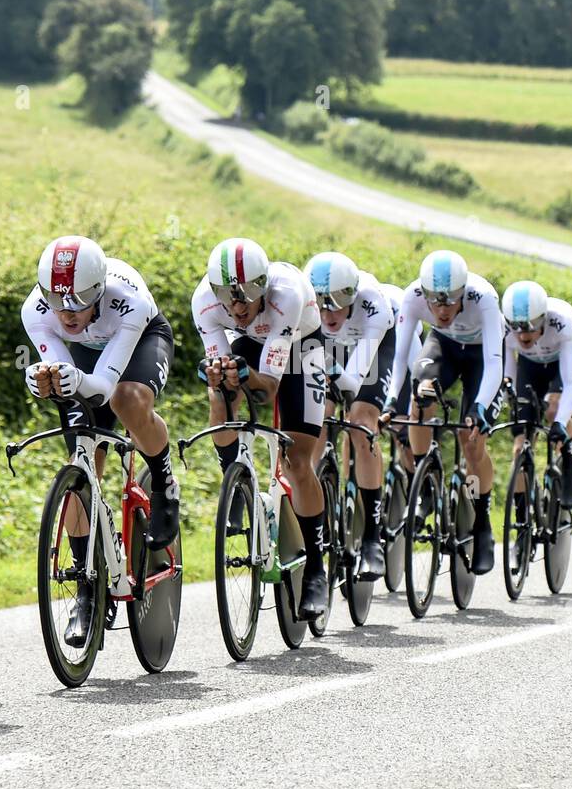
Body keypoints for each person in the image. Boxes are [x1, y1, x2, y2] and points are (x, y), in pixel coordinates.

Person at [22, 236, 178, 648]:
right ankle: (86, 587)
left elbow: (105, 386)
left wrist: (75, 379)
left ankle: (164, 482)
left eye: (79, 300)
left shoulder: (129, 300)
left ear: (99, 290)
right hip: (87, 357)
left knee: (127, 400)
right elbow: (58, 366)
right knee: (81, 465)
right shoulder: (36, 310)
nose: (68, 312)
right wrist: (43, 379)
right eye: (58, 302)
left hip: (139, 341)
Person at [191, 237, 331, 618]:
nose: (236, 306)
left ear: (263, 286)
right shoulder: (204, 301)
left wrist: (244, 374)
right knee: (220, 394)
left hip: (302, 349)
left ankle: (317, 568)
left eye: (246, 296)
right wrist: (221, 374)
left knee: (298, 461)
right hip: (250, 343)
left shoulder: (285, 295)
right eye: (227, 297)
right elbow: (220, 369)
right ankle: (235, 483)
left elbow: (268, 388)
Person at [383, 250, 504, 575]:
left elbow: (495, 362)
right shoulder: (413, 295)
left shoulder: (485, 299)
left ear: (463, 292)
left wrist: (479, 408)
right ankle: (423, 482)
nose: (442, 309)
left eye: (450, 302)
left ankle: (481, 522)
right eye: (436, 303)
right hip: (444, 347)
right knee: (421, 393)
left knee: (472, 439)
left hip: (482, 357)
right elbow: (398, 359)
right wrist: (392, 399)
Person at [304, 252, 417, 581]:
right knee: (314, 421)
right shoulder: (304, 306)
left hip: (370, 349)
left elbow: (352, 383)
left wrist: (328, 373)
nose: (328, 310)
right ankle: (314, 507)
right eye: (320, 302)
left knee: (361, 422)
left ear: (352, 294)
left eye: (338, 301)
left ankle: (371, 537)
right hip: (328, 352)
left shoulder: (374, 306)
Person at [500, 280, 572, 509]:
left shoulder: (562, 322)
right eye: (516, 327)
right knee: (519, 448)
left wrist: (558, 423)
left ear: (543, 317)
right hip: (530, 365)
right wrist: (512, 402)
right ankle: (520, 522)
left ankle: (567, 457)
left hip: (561, 362)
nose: (523, 334)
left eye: (530, 326)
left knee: (555, 406)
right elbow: (508, 375)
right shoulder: (504, 329)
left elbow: (571, 382)